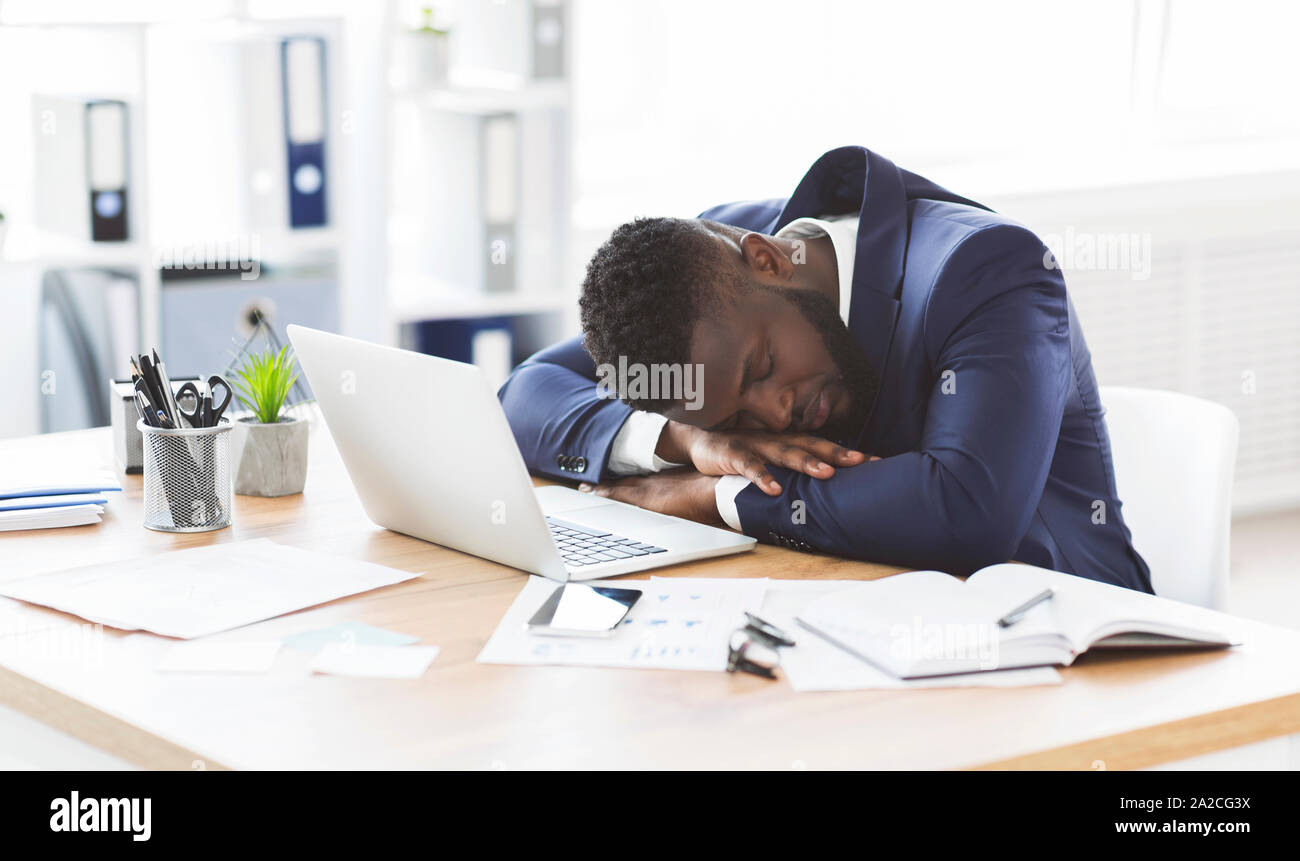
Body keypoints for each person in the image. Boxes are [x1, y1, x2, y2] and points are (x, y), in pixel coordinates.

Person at [498, 146, 1152, 591]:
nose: (774, 414)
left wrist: (717, 493)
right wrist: (690, 440)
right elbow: (526, 390)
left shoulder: (987, 268)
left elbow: (966, 510)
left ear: (768, 262)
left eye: (761, 369)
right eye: (737, 416)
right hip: (863, 614)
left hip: (1067, 635)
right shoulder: (697, 291)